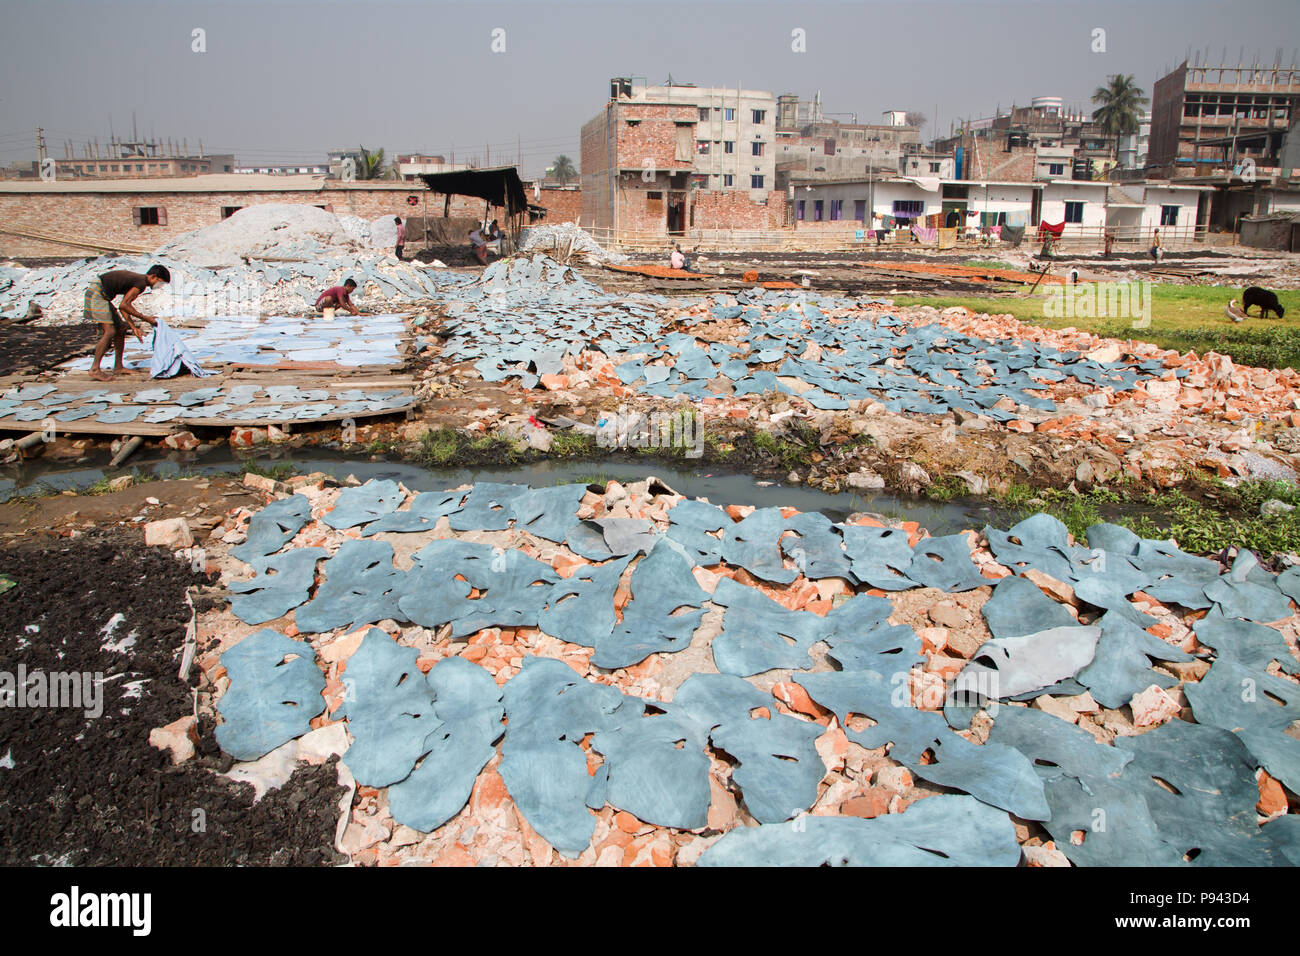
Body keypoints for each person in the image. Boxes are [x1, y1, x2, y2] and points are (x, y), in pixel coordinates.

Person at [85, 264, 169, 381]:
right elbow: (124, 305)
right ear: (153, 277)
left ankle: (118, 367)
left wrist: (132, 327)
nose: (159, 287)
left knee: (120, 329)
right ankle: (94, 369)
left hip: (101, 295)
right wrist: (145, 318)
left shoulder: (140, 281)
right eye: (160, 283)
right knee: (110, 331)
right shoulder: (141, 283)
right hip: (97, 294)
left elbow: (123, 307)